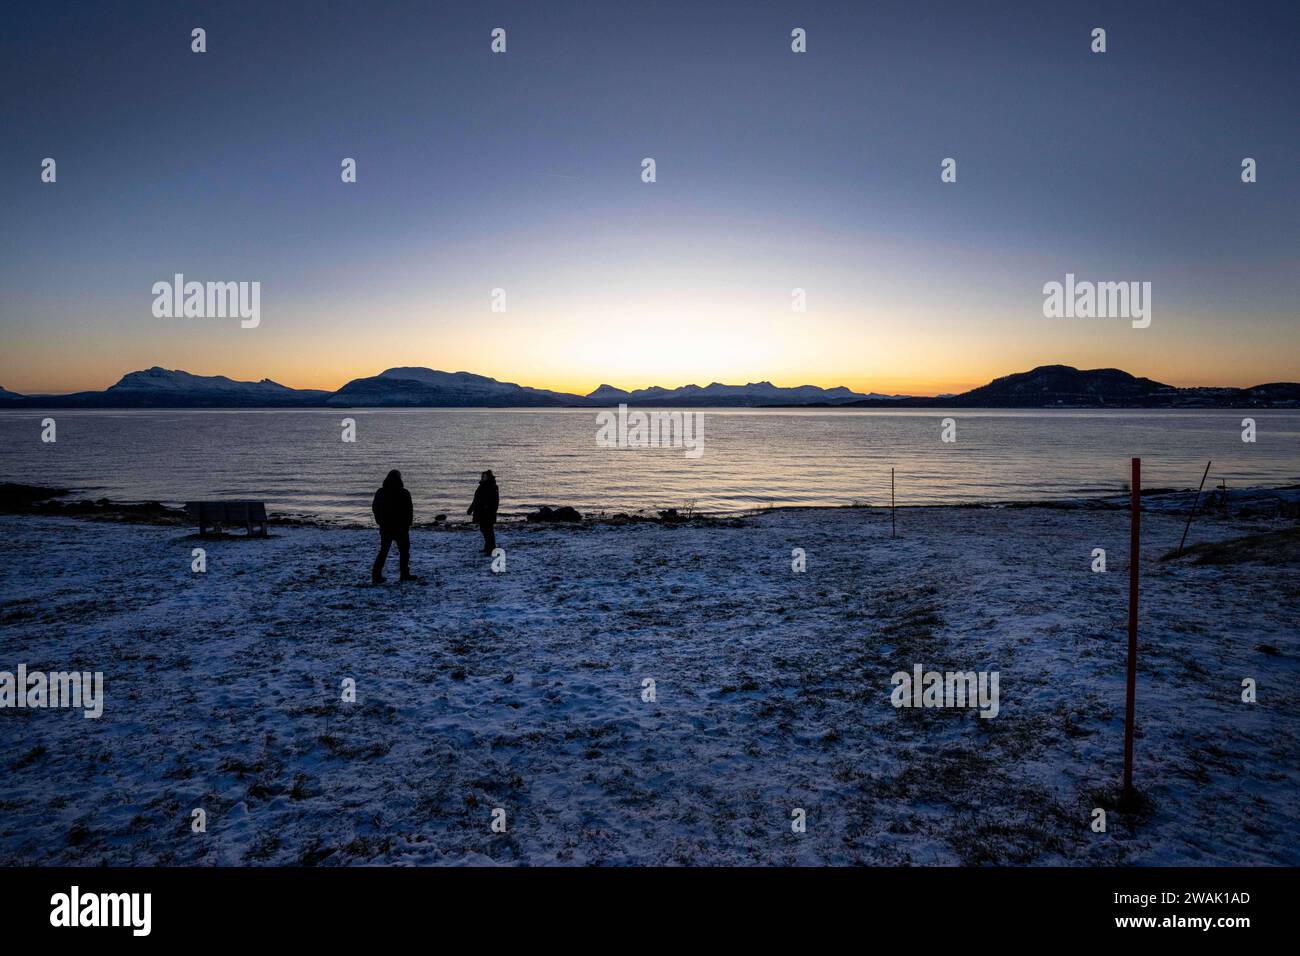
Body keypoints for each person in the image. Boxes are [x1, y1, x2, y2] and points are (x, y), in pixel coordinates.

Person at [371, 469, 416, 583]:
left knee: (384, 551)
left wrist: (379, 520)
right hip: (400, 527)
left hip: (386, 526)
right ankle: (404, 573)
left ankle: (376, 575)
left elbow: (375, 508)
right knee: (404, 552)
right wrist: (408, 524)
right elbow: (409, 510)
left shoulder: (381, 492)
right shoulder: (404, 492)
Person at [467, 470, 499, 555]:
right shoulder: (481, 486)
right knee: (484, 530)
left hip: (488, 513)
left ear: (488, 477)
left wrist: (491, 511)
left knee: (488, 531)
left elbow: (495, 502)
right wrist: (470, 509)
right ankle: (487, 547)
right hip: (480, 512)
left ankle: (492, 549)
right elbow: (476, 499)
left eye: (484, 476)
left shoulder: (493, 486)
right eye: (482, 476)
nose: (482, 478)